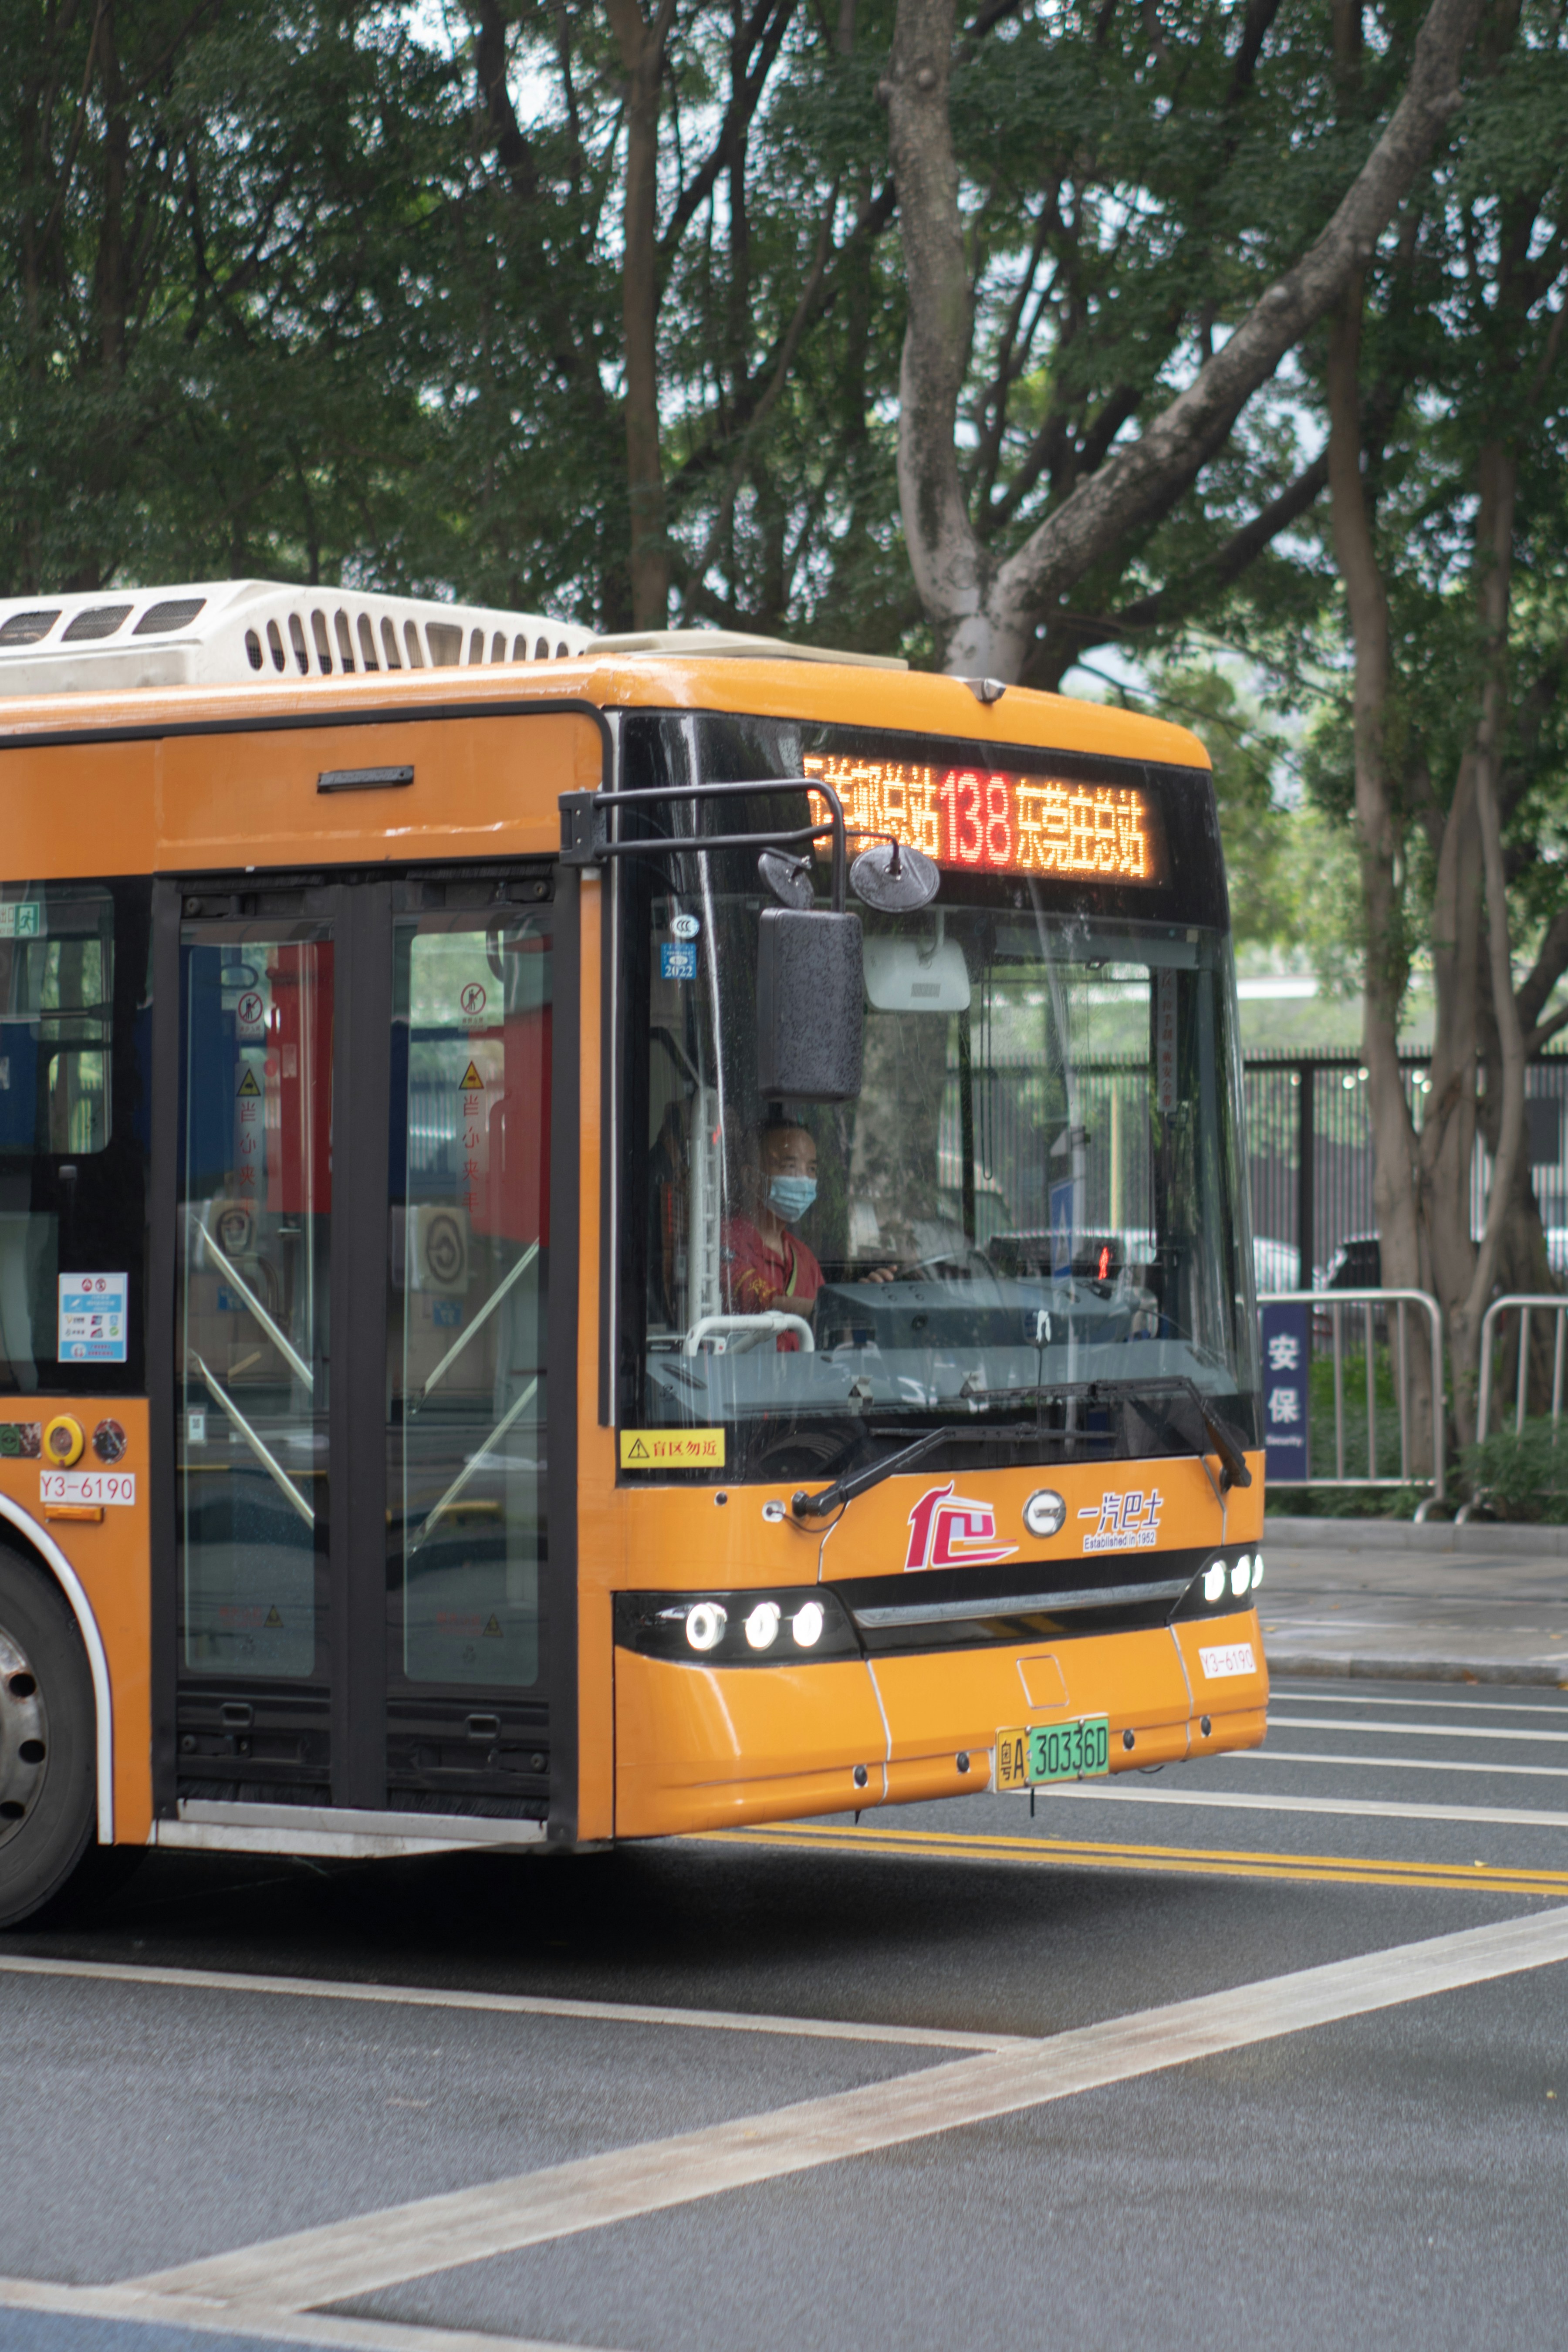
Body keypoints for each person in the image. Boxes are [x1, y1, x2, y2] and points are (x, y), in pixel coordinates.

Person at [721, 1121, 824, 1346]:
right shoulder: (724, 1239)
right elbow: (756, 1299)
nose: (804, 1180)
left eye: (812, 1170)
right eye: (790, 1167)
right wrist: (826, 1309)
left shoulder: (805, 1258)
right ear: (751, 1178)